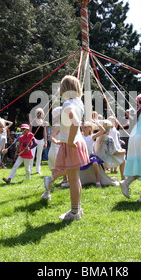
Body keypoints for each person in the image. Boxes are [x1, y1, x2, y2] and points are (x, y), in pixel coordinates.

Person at [54, 75, 90, 221]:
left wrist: (69, 141)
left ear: (63, 89)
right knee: (75, 178)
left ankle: (74, 213)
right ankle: (77, 209)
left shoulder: (68, 104)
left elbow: (75, 122)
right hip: (78, 141)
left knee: (73, 179)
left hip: (72, 143)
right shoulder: (79, 103)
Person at [41, 107, 68, 200]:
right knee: (68, 169)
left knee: (55, 174)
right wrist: (57, 142)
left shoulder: (59, 125)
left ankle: (46, 193)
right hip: (56, 150)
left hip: (53, 151)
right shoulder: (59, 126)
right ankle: (50, 179)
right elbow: (51, 137)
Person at [79, 121, 103, 186]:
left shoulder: (92, 136)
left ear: (89, 128)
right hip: (82, 156)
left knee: (95, 163)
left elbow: (103, 131)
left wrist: (97, 122)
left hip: (90, 155)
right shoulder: (80, 136)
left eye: (85, 127)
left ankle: (97, 180)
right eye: (82, 128)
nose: (83, 129)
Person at [30, 108, 48, 175]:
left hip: (41, 140)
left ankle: (38, 169)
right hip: (33, 140)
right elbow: (30, 131)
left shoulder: (43, 122)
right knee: (32, 155)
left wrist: (45, 142)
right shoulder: (33, 122)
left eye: (40, 113)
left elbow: (44, 133)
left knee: (39, 155)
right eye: (38, 113)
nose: (39, 114)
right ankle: (30, 169)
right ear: (36, 114)